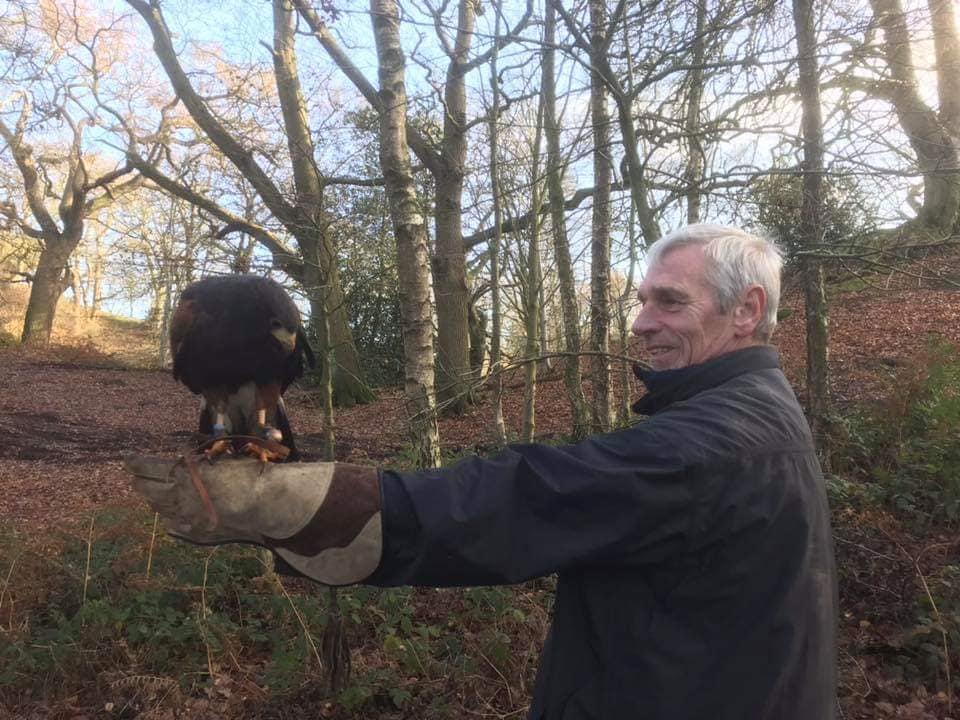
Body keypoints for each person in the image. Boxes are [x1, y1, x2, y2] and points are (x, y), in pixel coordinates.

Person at [127, 223, 838, 720]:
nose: (641, 322)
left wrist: (317, 506)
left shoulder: (720, 442)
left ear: (747, 310)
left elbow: (527, 497)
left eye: (670, 302)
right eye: (642, 300)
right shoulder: (755, 412)